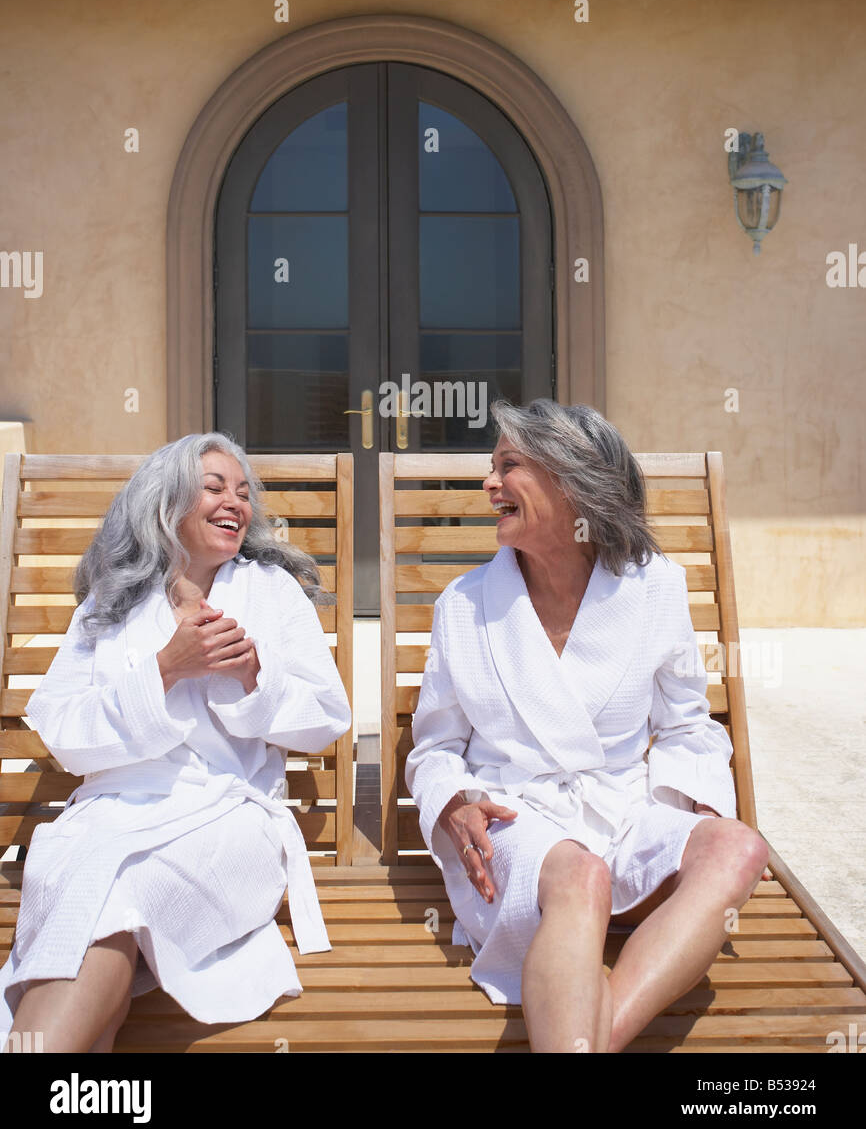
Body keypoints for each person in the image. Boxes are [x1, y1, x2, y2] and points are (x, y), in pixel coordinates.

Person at [406, 399, 770, 1053]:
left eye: (508, 466)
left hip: (625, 815)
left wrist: (697, 820)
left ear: (572, 482)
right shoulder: (463, 607)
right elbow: (434, 748)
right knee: (581, 877)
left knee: (739, 847)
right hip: (515, 830)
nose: (489, 485)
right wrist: (454, 803)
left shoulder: (654, 587)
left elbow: (689, 728)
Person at [0, 433, 351, 1053]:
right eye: (213, 488)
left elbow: (326, 719)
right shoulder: (112, 602)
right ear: (165, 505)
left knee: (118, 890)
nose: (235, 503)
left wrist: (253, 682)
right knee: (92, 889)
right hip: (106, 821)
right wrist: (165, 668)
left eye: (243, 493)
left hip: (227, 821)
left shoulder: (270, 593)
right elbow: (62, 729)